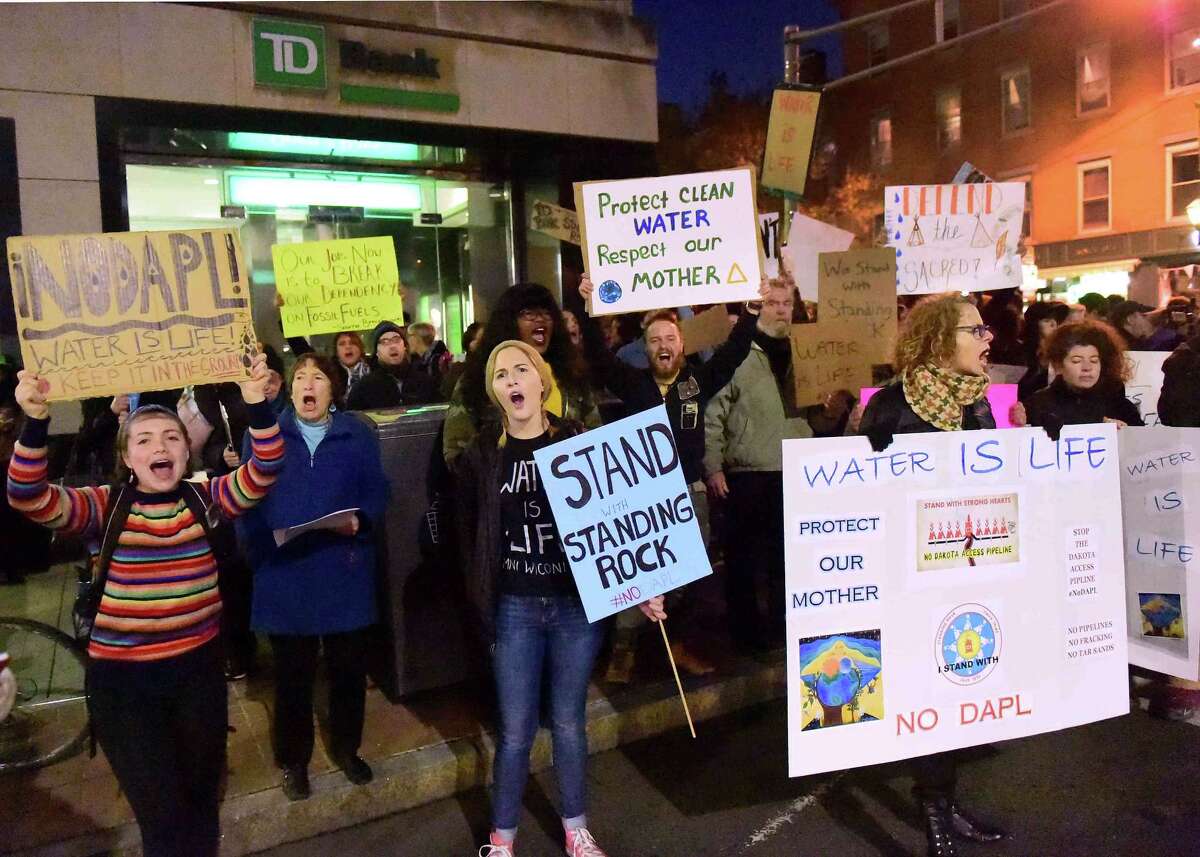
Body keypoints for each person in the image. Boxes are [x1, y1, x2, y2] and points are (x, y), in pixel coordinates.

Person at [7, 357, 283, 857]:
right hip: (124, 688)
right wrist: (35, 420)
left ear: (188, 449)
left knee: (202, 801)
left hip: (197, 676)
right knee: (163, 816)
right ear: (127, 458)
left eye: (172, 437)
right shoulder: (103, 505)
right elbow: (28, 496)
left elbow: (263, 471)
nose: (160, 446)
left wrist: (256, 401)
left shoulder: (206, 497)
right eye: (145, 439)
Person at [858, 294, 1006, 857]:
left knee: (964, 678)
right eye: (976, 329)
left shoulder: (978, 402)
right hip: (910, 574)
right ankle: (932, 807)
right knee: (929, 685)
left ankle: (945, 802)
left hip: (969, 568)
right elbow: (859, 489)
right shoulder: (892, 405)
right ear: (941, 337)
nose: (988, 338)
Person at [457, 340, 610, 857]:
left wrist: (645, 589)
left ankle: (576, 829)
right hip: (515, 607)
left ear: (542, 381)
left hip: (574, 606)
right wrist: (477, 595)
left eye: (522, 369)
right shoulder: (483, 453)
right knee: (516, 729)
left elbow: (617, 520)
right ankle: (502, 839)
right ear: (495, 391)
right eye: (501, 375)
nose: (512, 380)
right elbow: (467, 533)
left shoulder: (578, 441)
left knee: (569, 721)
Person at [577, 274, 770, 680]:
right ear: (644, 349)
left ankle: (676, 644)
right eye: (655, 340)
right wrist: (589, 307)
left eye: (670, 338)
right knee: (639, 576)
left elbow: (734, 353)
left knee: (691, 576)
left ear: (682, 345)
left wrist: (752, 310)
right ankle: (624, 652)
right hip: (643, 498)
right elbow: (597, 357)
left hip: (689, 491)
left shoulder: (696, 384)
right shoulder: (633, 384)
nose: (663, 346)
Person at [237, 353, 390, 801]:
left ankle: (347, 749)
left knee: (347, 672)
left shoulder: (357, 433)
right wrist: (257, 548)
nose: (308, 384)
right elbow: (248, 497)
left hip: (343, 570)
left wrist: (362, 518)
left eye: (318, 377)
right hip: (286, 574)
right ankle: (294, 760)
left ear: (333, 388)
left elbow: (377, 490)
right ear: (288, 387)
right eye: (300, 377)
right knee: (292, 678)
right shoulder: (265, 434)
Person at [704, 277, 813, 653]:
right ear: (758, 307)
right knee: (744, 559)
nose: (781, 309)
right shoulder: (738, 353)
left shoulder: (808, 353)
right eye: (773, 303)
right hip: (749, 471)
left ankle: (786, 630)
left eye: (787, 303)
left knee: (789, 560)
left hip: (798, 470)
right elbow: (713, 413)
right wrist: (713, 465)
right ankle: (747, 638)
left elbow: (821, 419)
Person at [444, 283, 601, 467]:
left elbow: (596, 434)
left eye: (546, 313)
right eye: (529, 313)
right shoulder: (478, 378)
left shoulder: (570, 375)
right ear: (508, 323)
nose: (540, 319)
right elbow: (455, 451)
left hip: (567, 486)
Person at [1024, 320, 1142, 435]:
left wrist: (1126, 434)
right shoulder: (1037, 405)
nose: (1087, 367)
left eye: (1094, 361)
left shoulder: (1119, 405)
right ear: (1058, 365)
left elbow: (1143, 446)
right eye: (1076, 361)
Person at [346, 321, 439, 410]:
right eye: (384, 342)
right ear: (376, 352)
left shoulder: (426, 383)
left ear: (404, 346)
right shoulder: (363, 388)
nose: (392, 346)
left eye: (396, 340)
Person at [1016, 301, 1070, 402]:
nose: (1053, 324)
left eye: (1055, 319)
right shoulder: (1021, 352)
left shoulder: (1062, 350)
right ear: (1034, 324)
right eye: (1046, 320)